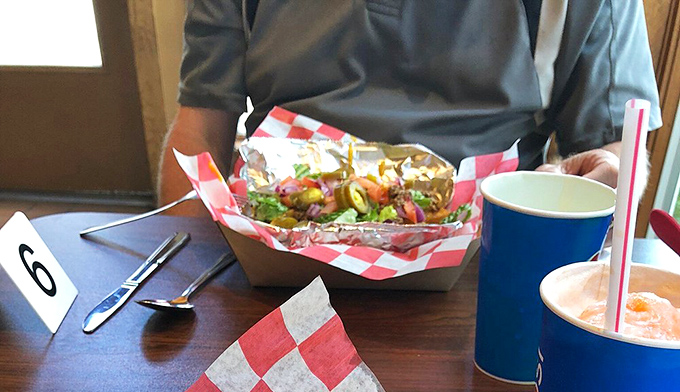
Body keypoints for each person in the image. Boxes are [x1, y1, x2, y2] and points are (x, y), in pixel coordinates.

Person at [158, 0, 661, 208]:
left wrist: (609, 180)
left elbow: (617, 148)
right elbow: (201, 129)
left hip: (488, 265)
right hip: (272, 249)